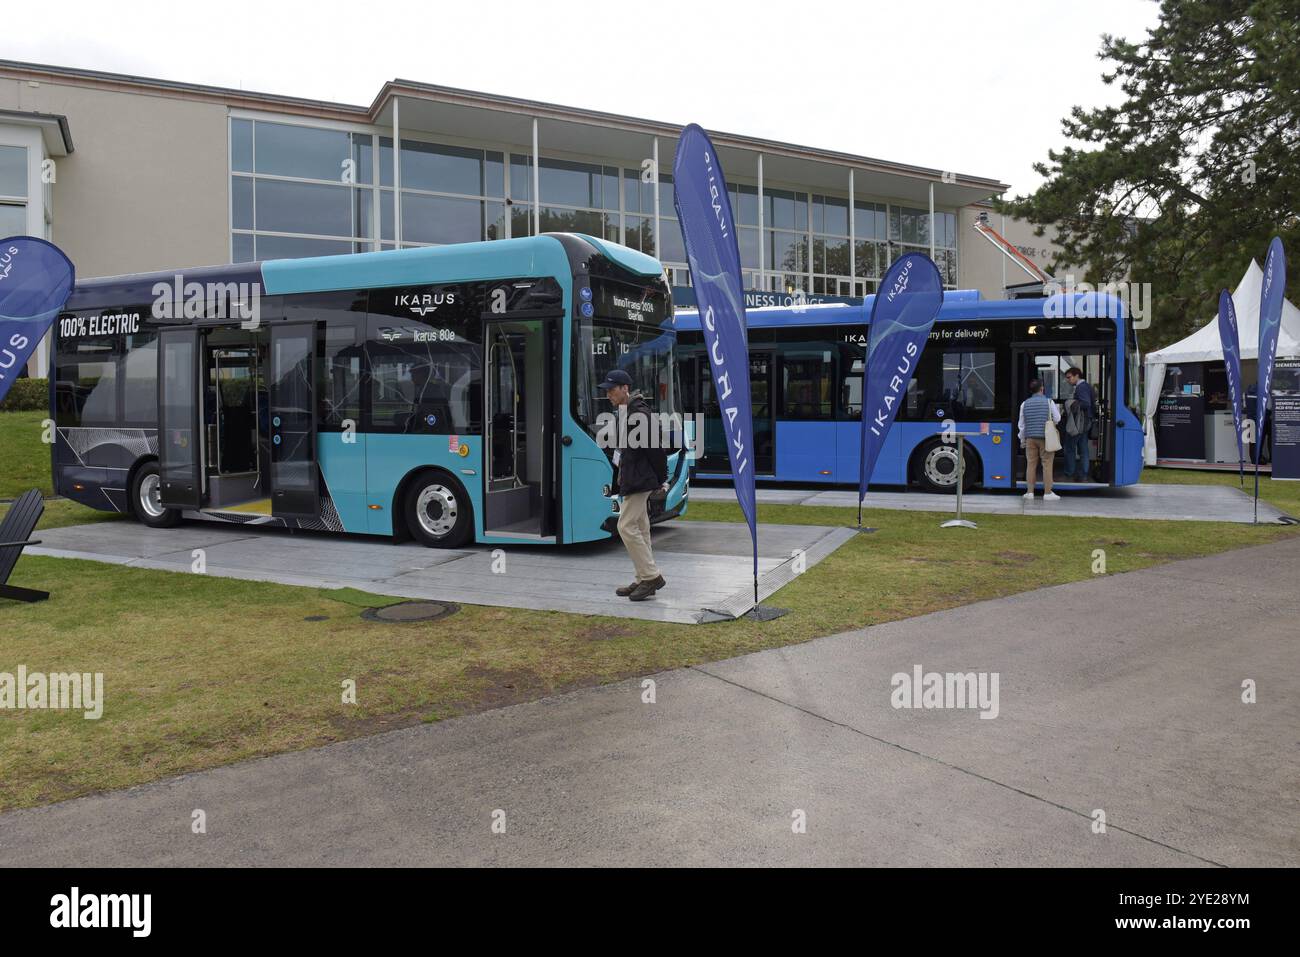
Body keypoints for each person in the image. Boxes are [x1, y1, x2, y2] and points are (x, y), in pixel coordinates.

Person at [600, 368, 669, 601]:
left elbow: (656, 451)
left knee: (626, 526)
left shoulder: (639, 413)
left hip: (641, 480)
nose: (608, 394)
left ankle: (651, 577)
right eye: (607, 390)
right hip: (633, 479)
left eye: (612, 389)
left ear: (625, 389)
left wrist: (662, 479)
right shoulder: (625, 412)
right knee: (640, 528)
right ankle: (642, 578)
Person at [1018, 378, 1062, 501]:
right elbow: (1057, 418)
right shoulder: (1049, 402)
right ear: (1042, 389)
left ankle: (1030, 492)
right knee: (1047, 464)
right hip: (1045, 438)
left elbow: (1021, 425)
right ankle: (1047, 493)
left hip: (1030, 438)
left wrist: (1022, 439)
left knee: (1031, 464)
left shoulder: (1024, 404)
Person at [1062, 367, 1094, 481]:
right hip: (1085, 422)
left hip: (1078, 423)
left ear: (1077, 375)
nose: (1068, 380)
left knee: (1069, 447)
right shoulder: (1086, 386)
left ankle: (1069, 472)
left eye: (1069, 377)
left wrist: (1071, 404)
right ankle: (1083, 474)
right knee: (1083, 448)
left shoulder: (1081, 387)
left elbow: (1085, 403)